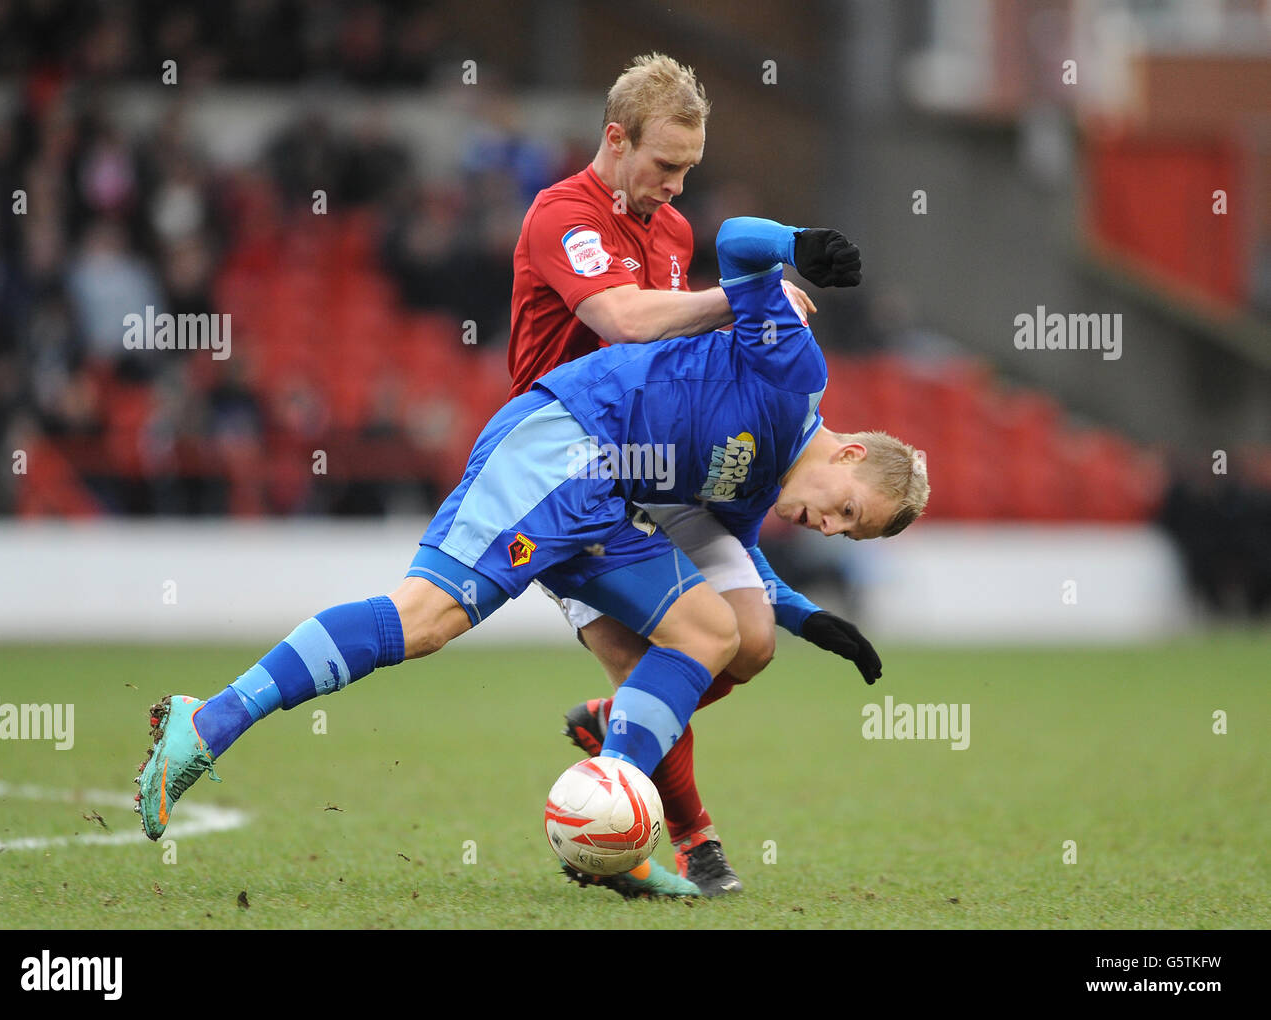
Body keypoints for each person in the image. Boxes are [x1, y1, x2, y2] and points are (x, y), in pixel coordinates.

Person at [135, 218, 931, 896]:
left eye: (847, 536)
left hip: (610, 503)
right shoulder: (796, 375)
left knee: (708, 630)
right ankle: (204, 722)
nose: (831, 529)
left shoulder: (759, 487)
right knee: (425, 621)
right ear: (852, 453)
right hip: (561, 448)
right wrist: (800, 243)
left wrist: (807, 618)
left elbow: (735, 558)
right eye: (849, 513)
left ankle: (614, 829)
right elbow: (737, 245)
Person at [508, 53, 863, 897]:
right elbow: (625, 322)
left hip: (655, 468)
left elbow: (676, 353)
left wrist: (767, 319)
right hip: (563, 472)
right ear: (615, 138)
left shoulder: (669, 233)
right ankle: (692, 840)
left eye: (688, 170)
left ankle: (615, 735)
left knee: (753, 644)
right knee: (666, 656)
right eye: (665, 166)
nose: (674, 188)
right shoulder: (563, 213)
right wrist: (745, 296)